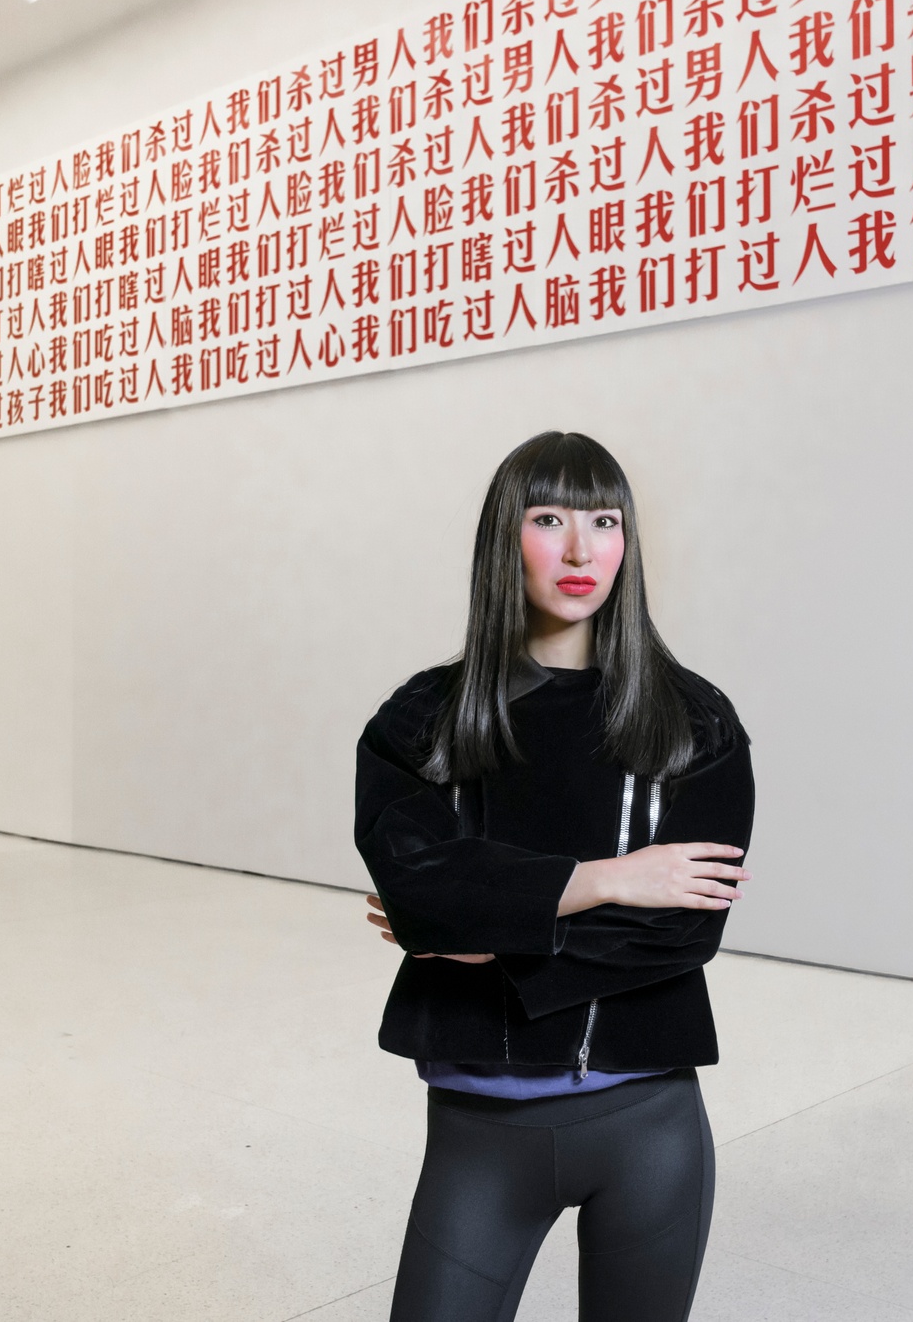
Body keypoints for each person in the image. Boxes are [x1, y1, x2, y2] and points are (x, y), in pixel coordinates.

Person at [355, 430, 755, 1322]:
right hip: (477, 1136)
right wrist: (611, 878)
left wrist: (484, 938)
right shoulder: (423, 720)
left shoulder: (695, 721)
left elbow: (687, 927)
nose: (582, 550)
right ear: (508, 536)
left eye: (604, 521)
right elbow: (421, 893)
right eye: (550, 518)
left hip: (649, 1126)